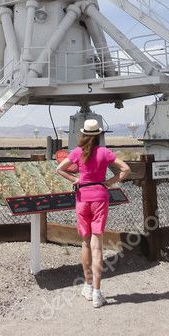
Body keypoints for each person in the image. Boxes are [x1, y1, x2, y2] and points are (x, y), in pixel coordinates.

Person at [56, 118, 130, 308]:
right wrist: (110, 182)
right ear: (99, 135)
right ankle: (97, 293)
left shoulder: (77, 153)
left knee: (85, 243)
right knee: (98, 245)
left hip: (83, 198)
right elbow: (126, 169)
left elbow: (59, 169)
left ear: (82, 135)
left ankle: (87, 286)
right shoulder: (105, 153)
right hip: (99, 196)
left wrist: (76, 179)